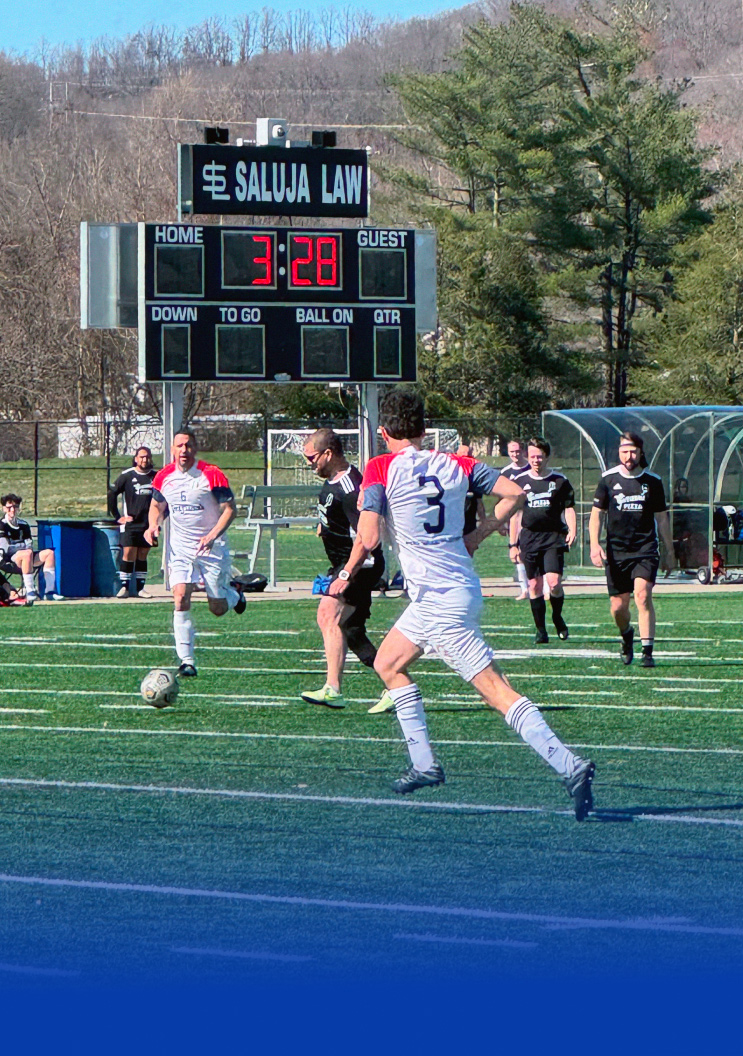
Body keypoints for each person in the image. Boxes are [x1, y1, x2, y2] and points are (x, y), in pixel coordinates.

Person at [329, 389, 596, 821]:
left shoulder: (380, 467)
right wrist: (480, 533)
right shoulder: (456, 462)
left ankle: (570, 765)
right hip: (446, 591)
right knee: (388, 664)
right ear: (422, 428)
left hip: (441, 600)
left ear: (383, 431)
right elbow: (515, 492)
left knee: (496, 690)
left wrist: (360, 526)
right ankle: (423, 764)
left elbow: (371, 538)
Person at [300, 428, 391, 714]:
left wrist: (345, 574)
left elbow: (366, 537)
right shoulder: (334, 481)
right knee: (351, 631)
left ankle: (333, 689)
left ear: (328, 454)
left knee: (327, 613)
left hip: (360, 564)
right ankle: (395, 686)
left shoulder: (353, 488)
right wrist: (325, 528)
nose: (309, 463)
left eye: (311, 457)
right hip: (344, 563)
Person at [145, 429, 246, 677]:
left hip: (213, 549)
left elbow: (230, 510)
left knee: (217, 607)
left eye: (188, 446)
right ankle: (187, 661)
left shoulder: (211, 474)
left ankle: (234, 596)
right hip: (180, 550)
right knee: (180, 596)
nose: (184, 450)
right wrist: (153, 525)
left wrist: (211, 536)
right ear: (172, 449)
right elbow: (157, 505)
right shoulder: (163, 477)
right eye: (179, 446)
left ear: (195, 449)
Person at [589, 431, 675, 668]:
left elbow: (662, 519)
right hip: (617, 552)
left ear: (640, 452)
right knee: (618, 607)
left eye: (633, 451)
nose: (629, 455)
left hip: (645, 549)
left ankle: (648, 652)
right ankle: (626, 634)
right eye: (625, 451)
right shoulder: (608, 480)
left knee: (643, 595)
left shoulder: (653, 482)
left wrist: (670, 551)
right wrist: (595, 545)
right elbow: (596, 516)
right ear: (619, 452)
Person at [509, 437, 576, 644]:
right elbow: (515, 515)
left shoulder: (559, 481)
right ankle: (540, 629)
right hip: (530, 538)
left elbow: (569, 507)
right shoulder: (520, 482)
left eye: (539, 456)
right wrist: (513, 544)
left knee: (554, 582)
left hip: (553, 536)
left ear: (547, 457)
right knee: (534, 585)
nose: (536, 460)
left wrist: (572, 529)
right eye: (532, 456)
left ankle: (557, 616)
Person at [108, 446, 157, 598]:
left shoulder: (156, 476)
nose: (144, 459)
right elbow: (112, 494)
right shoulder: (127, 476)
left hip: (148, 524)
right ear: (136, 458)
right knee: (128, 553)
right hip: (131, 523)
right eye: (141, 457)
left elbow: (164, 499)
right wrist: (118, 517)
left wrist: (158, 520)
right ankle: (125, 587)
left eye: (147, 457)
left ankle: (141, 588)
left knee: (143, 554)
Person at [0, 494, 61, 604]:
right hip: (8, 560)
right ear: (4, 508)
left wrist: (21, 547)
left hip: (26, 556)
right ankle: (30, 591)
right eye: (9, 507)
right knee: (26, 553)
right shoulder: (1, 525)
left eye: (15, 506)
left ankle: (49, 592)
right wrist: (21, 546)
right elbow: (6, 547)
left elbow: (29, 544)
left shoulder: (24, 525)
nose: (12, 510)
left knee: (49, 553)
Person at [499, 439, 530, 599]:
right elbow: (501, 499)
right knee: (517, 554)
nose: (515, 455)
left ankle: (542, 587)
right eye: (512, 452)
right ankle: (524, 589)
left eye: (517, 451)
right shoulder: (505, 473)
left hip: (531, 517)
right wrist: (501, 522)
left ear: (523, 451)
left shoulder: (532, 468)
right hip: (514, 519)